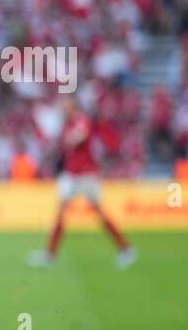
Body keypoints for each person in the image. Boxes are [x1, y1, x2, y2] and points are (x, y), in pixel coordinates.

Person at [29, 96, 137, 269]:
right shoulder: (66, 124)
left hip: (86, 174)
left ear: (73, 107)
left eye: (67, 106)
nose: (64, 110)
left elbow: (78, 137)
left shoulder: (80, 120)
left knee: (100, 213)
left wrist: (64, 136)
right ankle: (50, 253)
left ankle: (125, 248)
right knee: (61, 211)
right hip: (72, 174)